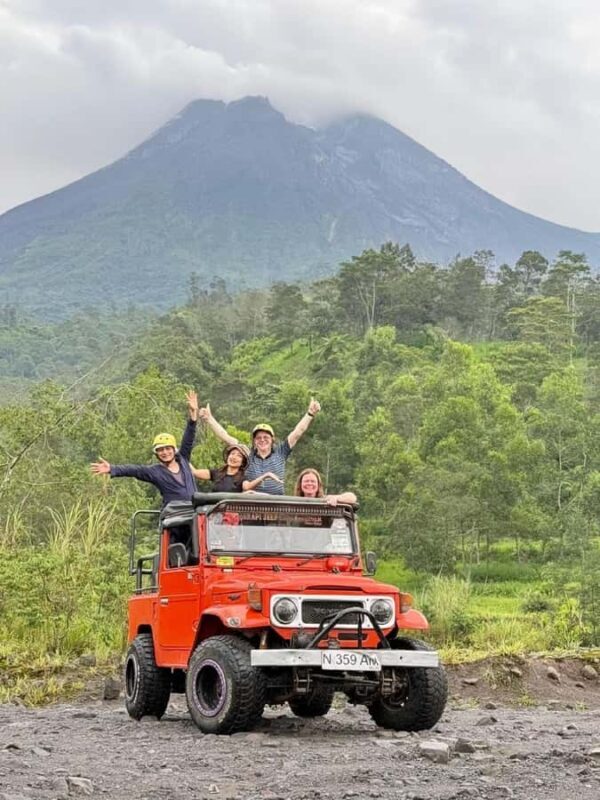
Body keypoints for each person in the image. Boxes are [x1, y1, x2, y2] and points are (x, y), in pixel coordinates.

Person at [91, 391, 199, 508]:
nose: (165, 452)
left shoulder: (183, 459)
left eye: (168, 448)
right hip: (174, 516)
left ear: (174, 450)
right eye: (160, 450)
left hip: (194, 512)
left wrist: (193, 416)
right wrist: (112, 468)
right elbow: (134, 470)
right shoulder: (155, 472)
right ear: (156, 453)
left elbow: (188, 438)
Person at [199, 398, 321, 495]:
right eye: (258, 437)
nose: (262, 440)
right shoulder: (247, 454)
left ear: (272, 439)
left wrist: (310, 414)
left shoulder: (281, 452)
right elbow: (225, 436)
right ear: (254, 440)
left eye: (266, 437)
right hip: (251, 503)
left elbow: (297, 432)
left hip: (275, 504)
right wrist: (209, 419)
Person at [191, 443, 279, 492]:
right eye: (232, 454)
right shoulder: (217, 473)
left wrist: (266, 475)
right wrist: (181, 456)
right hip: (213, 514)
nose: (234, 457)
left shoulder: (242, 478)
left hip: (231, 518)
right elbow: (194, 472)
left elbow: (247, 487)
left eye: (239, 456)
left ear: (242, 462)